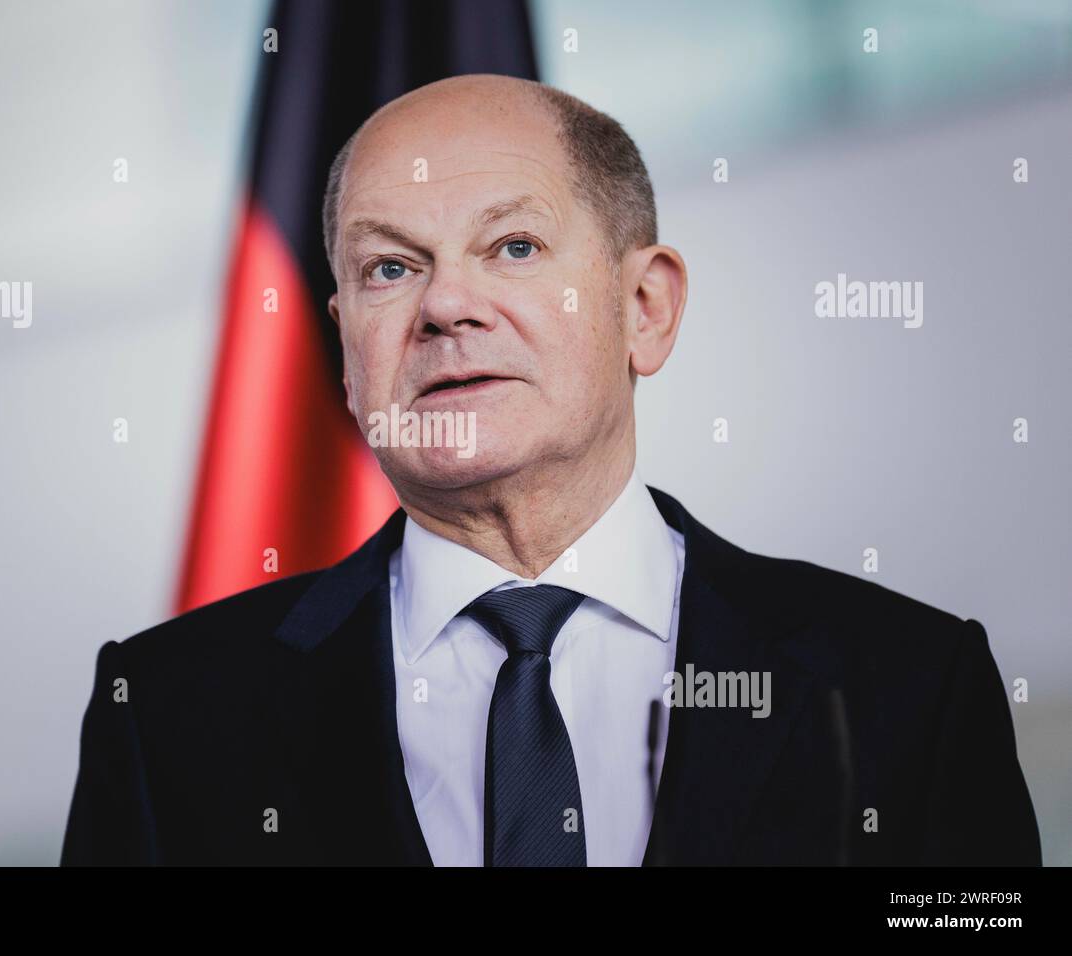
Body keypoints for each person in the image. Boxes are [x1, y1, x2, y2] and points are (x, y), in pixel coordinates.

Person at [61, 74, 1040, 866]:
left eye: (513, 246)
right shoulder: (167, 712)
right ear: (346, 358)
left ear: (645, 307)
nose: (446, 304)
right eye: (389, 269)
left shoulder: (905, 682)